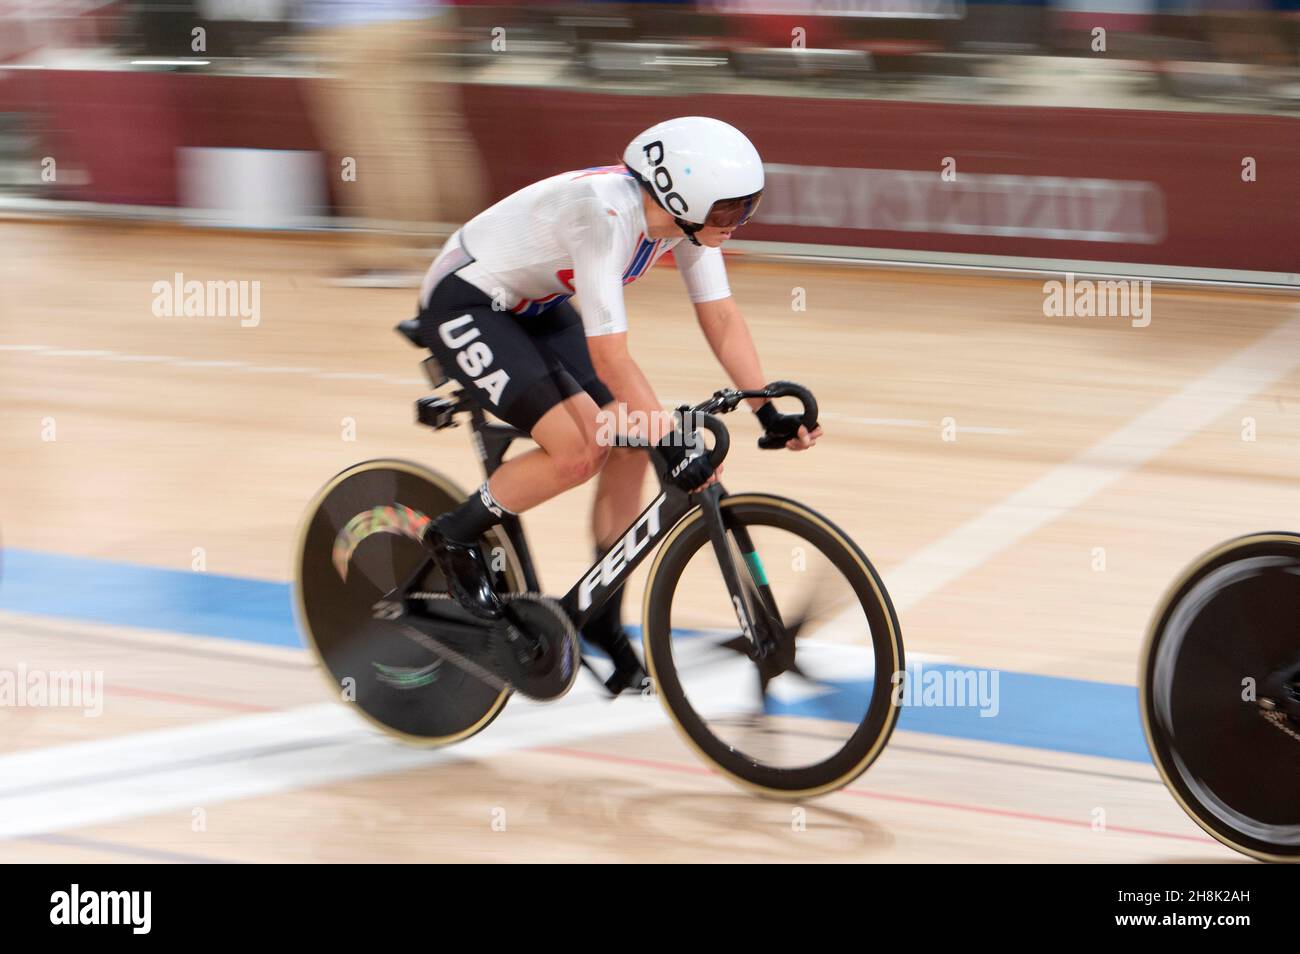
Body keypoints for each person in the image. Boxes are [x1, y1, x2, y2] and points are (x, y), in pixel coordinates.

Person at [413, 116, 823, 693]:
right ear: (681, 195)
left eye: (747, 210)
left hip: (533, 304)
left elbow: (722, 318)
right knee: (580, 450)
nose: (737, 224)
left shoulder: (687, 226)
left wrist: (764, 409)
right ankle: (452, 535)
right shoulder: (606, 215)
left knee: (629, 438)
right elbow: (611, 359)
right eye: (730, 211)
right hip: (468, 303)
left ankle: (602, 613)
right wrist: (673, 438)